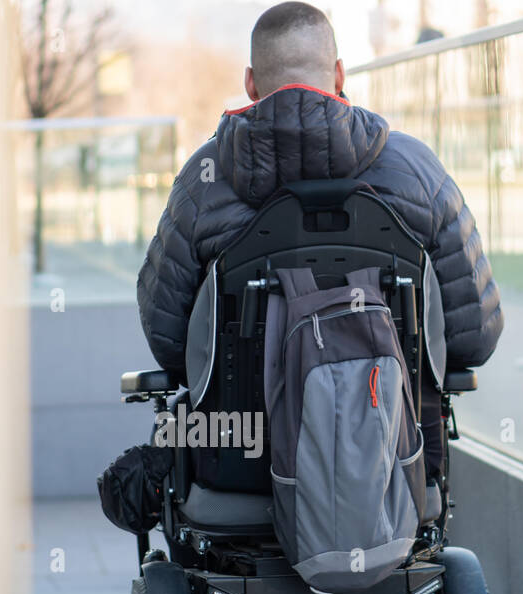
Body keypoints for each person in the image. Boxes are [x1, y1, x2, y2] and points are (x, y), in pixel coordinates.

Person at [137, 1, 502, 390]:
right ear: (339, 74)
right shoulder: (418, 170)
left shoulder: (202, 181)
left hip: (240, 442)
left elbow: (168, 341)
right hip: (394, 440)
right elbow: (474, 338)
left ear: (251, 82)